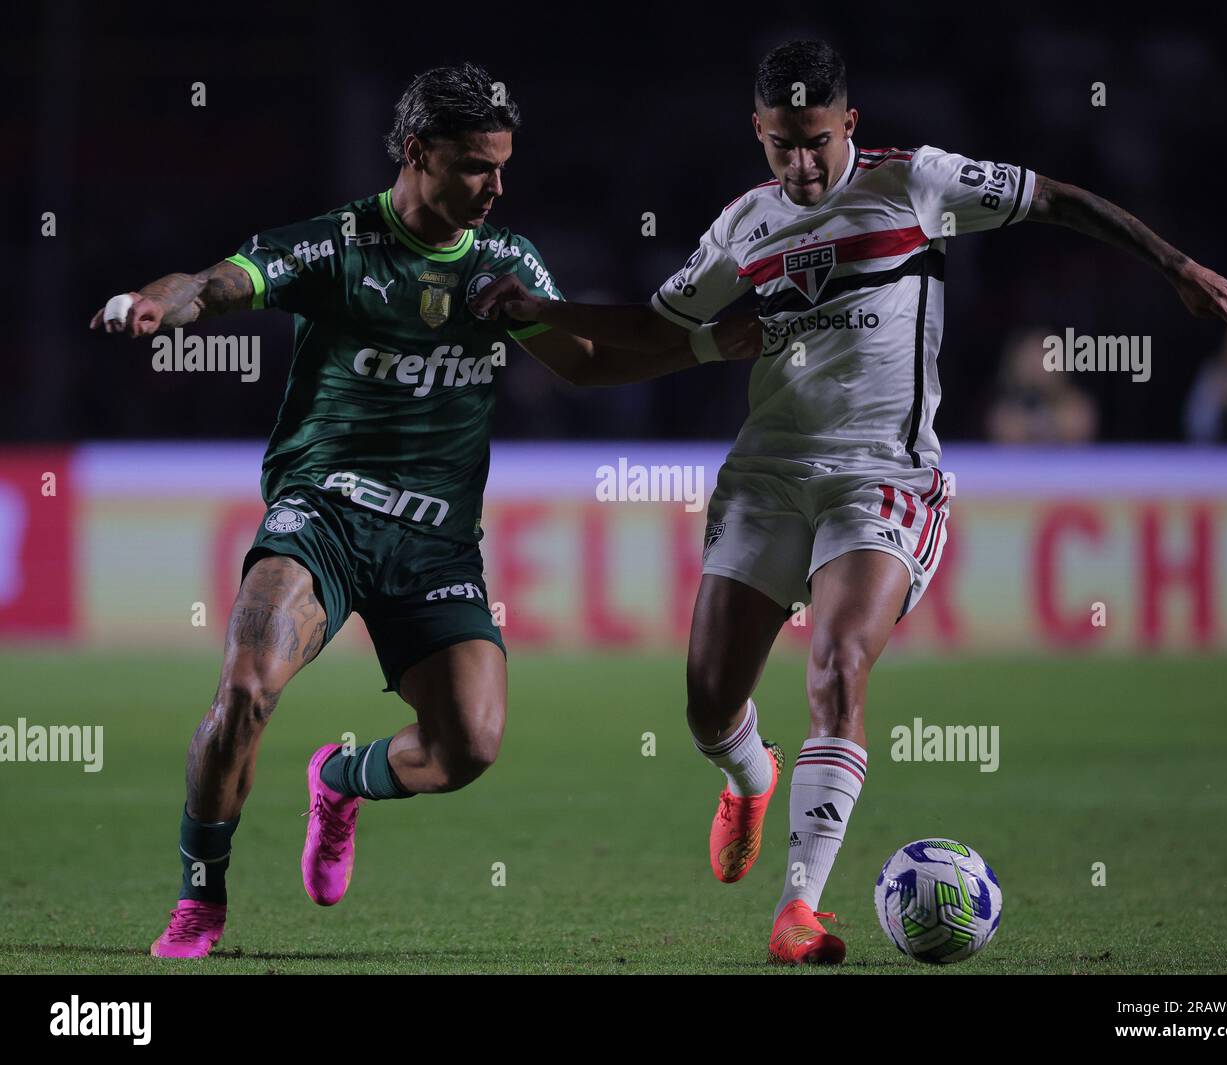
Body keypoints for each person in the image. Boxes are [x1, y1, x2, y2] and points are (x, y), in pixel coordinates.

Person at [470, 39, 1227, 964]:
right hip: (769, 474)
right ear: (758, 135)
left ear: (849, 123)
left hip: (882, 476)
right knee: (704, 703)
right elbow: (656, 329)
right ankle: (750, 776)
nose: (802, 165)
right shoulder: (743, 227)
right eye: (781, 146)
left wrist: (1172, 263)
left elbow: (1053, 196)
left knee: (840, 663)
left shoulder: (917, 183)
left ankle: (798, 910)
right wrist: (545, 310)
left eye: (817, 141)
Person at [89, 63, 758, 959]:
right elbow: (213, 283)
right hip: (322, 512)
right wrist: (152, 306)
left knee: (470, 746)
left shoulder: (503, 264)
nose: (496, 187)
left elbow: (587, 360)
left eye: (503, 166)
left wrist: (707, 349)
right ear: (418, 153)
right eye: (477, 166)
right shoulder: (337, 247)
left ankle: (342, 780)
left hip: (436, 545)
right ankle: (200, 897)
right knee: (246, 690)